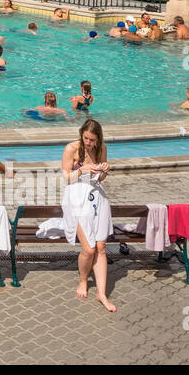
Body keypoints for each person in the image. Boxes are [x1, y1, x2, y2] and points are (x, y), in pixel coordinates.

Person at [62, 119, 116, 312]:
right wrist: (82, 169)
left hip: (96, 197)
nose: (88, 143)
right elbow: (66, 177)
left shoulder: (102, 148)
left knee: (101, 247)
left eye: (92, 140)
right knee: (89, 249)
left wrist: (104, 172)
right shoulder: (71, 149)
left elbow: (100, 177)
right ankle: (83, 279)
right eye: (86, 138)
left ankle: (101, 294)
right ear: (81, 134)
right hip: (76, 198)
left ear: (98, 138)